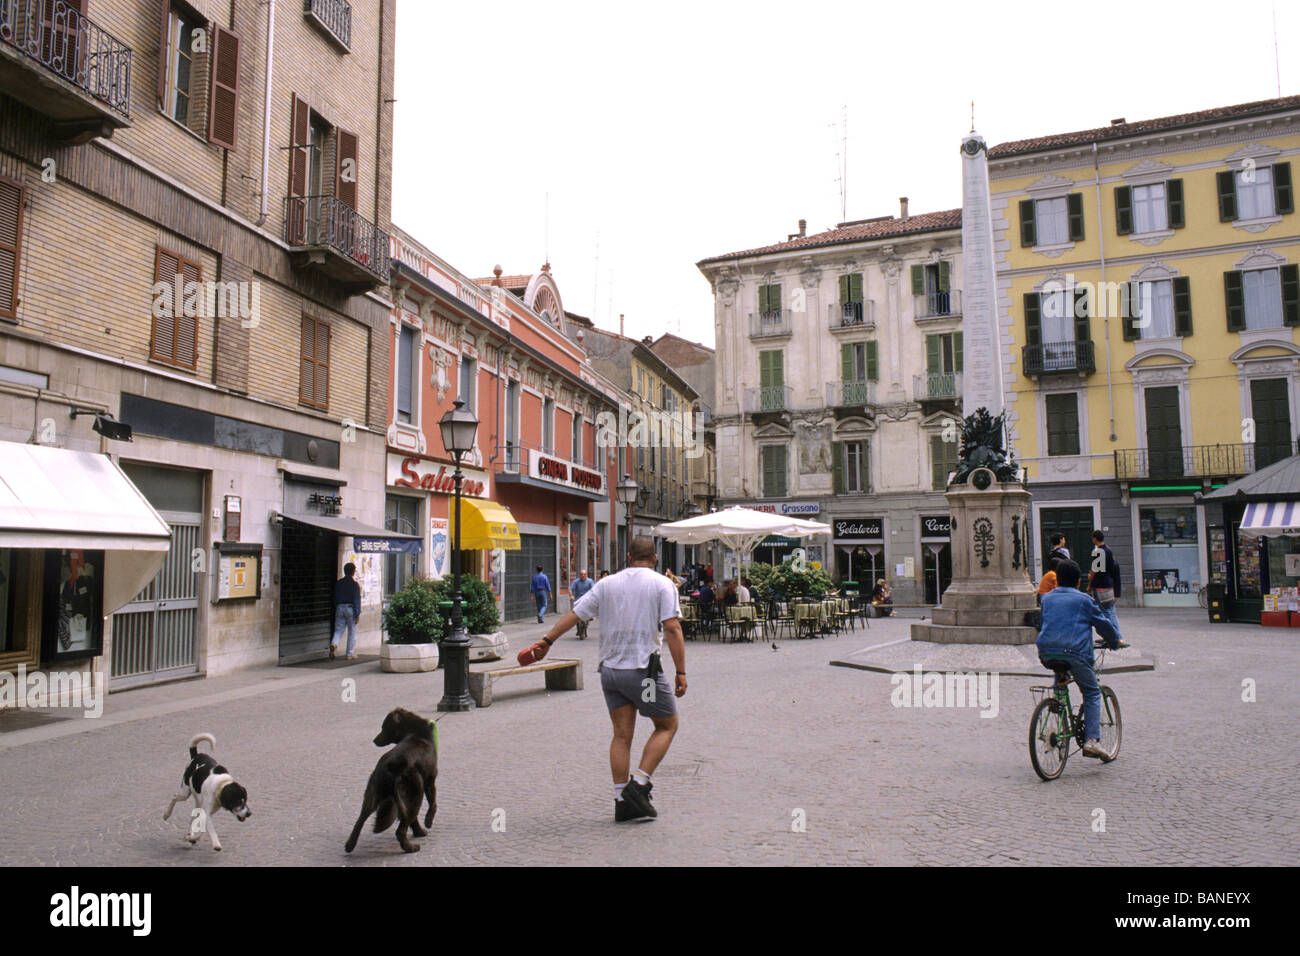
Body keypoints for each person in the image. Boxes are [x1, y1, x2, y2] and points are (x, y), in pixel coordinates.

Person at [531, 536, 685, 824]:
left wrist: (547, 639)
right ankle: (638, 787)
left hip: (611, 673)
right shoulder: (662, 584)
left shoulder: (606, 584)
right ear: (654, 559)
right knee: (666, 724)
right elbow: (672, 628)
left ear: (628, 556)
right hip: (644, 675)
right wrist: (681, 671)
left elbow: (576, 614)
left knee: (621, 735)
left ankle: (620, 802)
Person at [1036, 560, 1120, 758]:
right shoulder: (1083, 600)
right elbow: (1103, 624)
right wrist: (1114, 641)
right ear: (1078, 581)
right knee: (1091, 692)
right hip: (1074, 652)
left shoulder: (1047, 599)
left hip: (1046, 652)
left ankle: (1058, 700)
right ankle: (1091, 740)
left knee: (1060, 670)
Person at [1088, 530, 1124, 642]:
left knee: (1105, 613)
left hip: (1100, 586)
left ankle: (1113, 636)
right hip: (1109, 584)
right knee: (1111, 612)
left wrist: (1090, 582)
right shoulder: (1109, 551)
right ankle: (1116, 635)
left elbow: (1095, 569)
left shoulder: (1098, 551)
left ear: (1095, 539)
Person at [331, 562, 362, 661]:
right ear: (353, 572)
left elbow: (335, 597)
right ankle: (349, 654)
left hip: (339, 607)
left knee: (338, 630)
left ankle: (334, 643)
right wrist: (357, 614)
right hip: (350, 608)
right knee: (352, 632)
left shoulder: (339, 583)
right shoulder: (354, 585)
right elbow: (356, 600)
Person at [571, 569, 595, 639]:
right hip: (578, 600)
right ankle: (578, 628)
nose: (583, 576)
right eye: (581, 574)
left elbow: (593, 589)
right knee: (576, 615)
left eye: (584, 574)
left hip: (587, 600)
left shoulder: (590, 581)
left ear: (586, 575)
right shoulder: (576, 581)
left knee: (588, 615)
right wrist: (571, 595)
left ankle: (586, 624)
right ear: (580, 575)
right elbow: (570, 588)